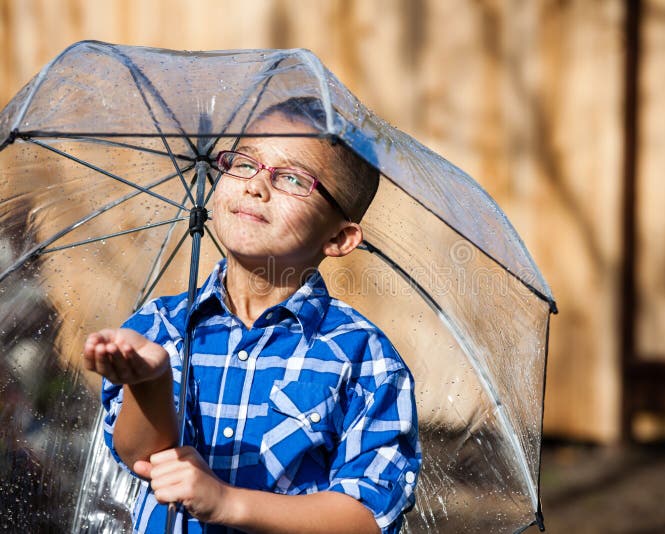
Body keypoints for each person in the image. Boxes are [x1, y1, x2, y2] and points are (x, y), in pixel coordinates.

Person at [83, 97, 421, 534]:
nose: (256, 186)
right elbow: (140, 456)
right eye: (244, 163)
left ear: (339, 237)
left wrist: (227, 503)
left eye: (293, 179)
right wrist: (150, 383)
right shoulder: (160, 328)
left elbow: (367, 517)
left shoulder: (362, 357)